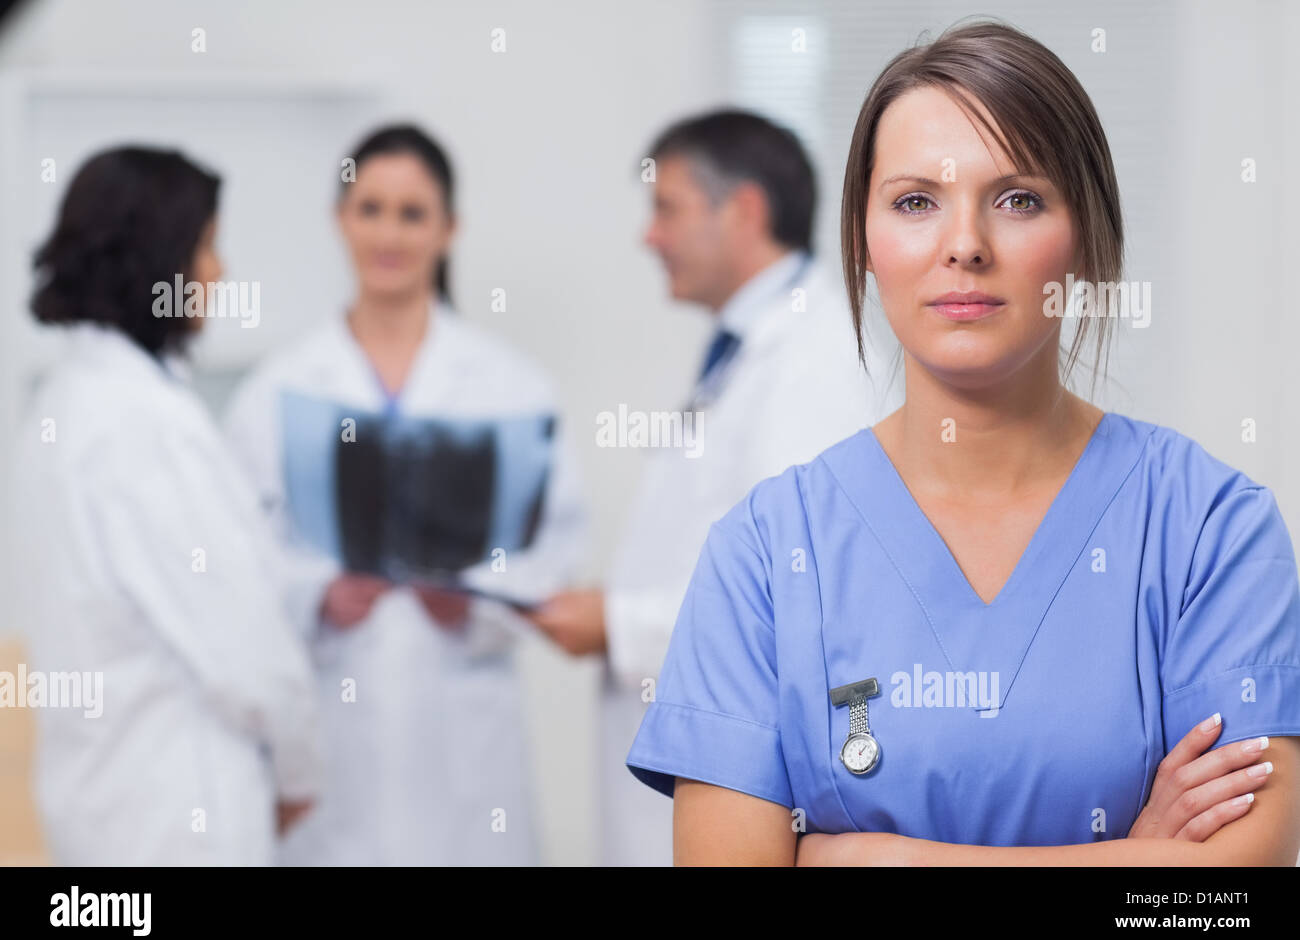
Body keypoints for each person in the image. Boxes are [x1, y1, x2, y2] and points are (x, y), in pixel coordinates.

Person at [625, 20, 1300, 865]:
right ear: (865, 245)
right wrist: (1133, 856)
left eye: (1019, 199)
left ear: (1085, 235)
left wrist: (873, 859)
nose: (966, 245)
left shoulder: (1211, 530)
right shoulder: (764, 555)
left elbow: (1220, 898)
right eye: (915, 202)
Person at [525, 110, 899, 865]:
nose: (648, 236)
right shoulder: (746, 350)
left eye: (666, 208)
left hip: (742, 782)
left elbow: (800, 600)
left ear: (745, 210)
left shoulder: (815, 360)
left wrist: (619, 624)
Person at [222, 124, 586, 865]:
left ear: (448, 229)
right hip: (331, 709)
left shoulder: (509, 386)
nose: (389, 233)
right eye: (371, 209)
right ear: (340, 220)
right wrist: (316, 595)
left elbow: (559, 547)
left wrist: (479, 595)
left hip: (462, 717)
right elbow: (237, 555)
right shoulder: (278, 390)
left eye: (412, 213)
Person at [8, 146, 322, 865]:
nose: (220, 273)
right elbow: (244, 651)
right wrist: (301, 770)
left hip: (100, 810)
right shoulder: (144, 424)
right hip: (180, 818)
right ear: (157, 259)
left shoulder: (60, 409)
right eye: (206, 246)